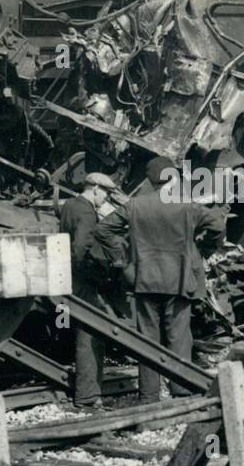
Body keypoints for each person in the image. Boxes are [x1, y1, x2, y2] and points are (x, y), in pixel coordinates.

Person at [93, 156, 225, 401]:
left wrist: (122, 258)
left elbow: (102, 230)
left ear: (151, 179)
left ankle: (149, 396)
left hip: (144, 279)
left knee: (146, 339)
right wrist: (203, 251)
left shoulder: (135, 205)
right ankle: (181, 390)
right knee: (179, 336)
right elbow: (217, 226)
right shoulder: (187, 206)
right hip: (180, 279)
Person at [58, 172, 117, 409]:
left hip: (68, 277)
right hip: (83, 280)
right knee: (91, 334)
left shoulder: (69, 205)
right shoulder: (87, 212)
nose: (107, 198)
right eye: (106, 193)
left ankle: (85, 390)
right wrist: (96, 272)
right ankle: (87, 394)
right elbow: (82, 247)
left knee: (79, 330)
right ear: (94, 189)